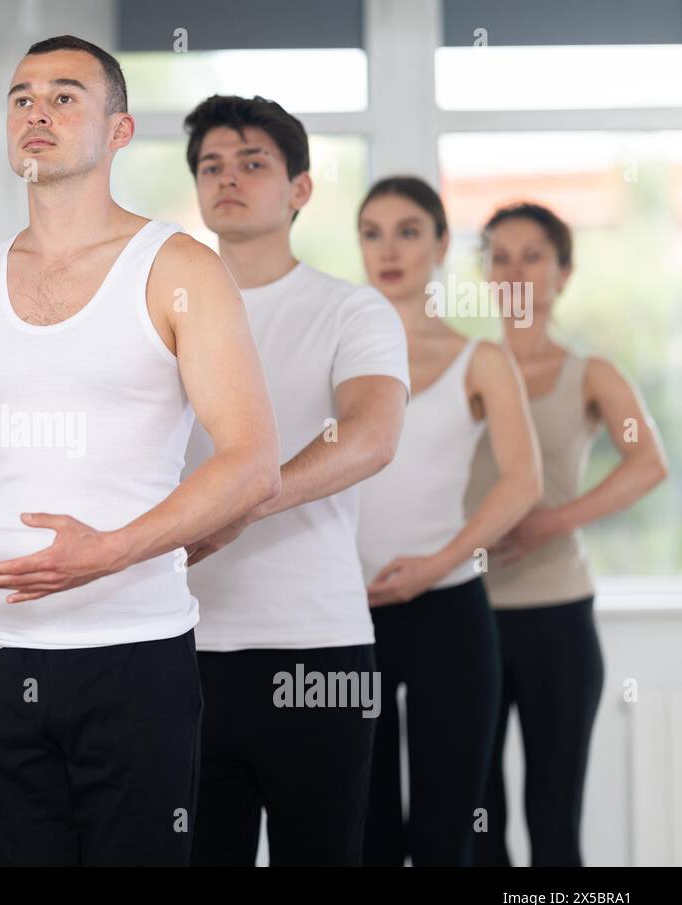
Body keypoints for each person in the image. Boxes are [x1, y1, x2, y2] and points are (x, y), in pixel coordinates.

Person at [0, 35, 280, 866]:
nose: (37, 114)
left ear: (119, 131)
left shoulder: (179, 271)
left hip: (134, 656)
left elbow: (251, 460)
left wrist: (109, 553)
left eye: (64, 97)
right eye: (22, 98)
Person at [178, 95, 409, 866]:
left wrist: (242, 502)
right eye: (211, 166)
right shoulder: (161, 311)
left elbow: (372, 436)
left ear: (299, 189)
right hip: (182, 644)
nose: (228, 178)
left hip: (320, 651)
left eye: (252, 163)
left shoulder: (352, 310)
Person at [467, 202, 669, 866]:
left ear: (564, 272)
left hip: (557, 618)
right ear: (485, 272)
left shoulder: (592, 374)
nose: (515, 271)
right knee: (476, 821)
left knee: (553, 819)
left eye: (533, 257)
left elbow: (649, 462)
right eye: (500, 256)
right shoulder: (459, 368)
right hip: (467, 618)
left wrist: (552, 521)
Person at [355, 176, 543, 866]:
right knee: (364, 839)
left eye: (408, 231)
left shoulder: (481, 358)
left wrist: (439, 563)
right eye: (371, 232)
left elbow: (525, 482)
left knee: (447, 839)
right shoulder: (339, 355)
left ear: (440, 244)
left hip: (449, 614)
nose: (389, 248)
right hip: (351, 619)